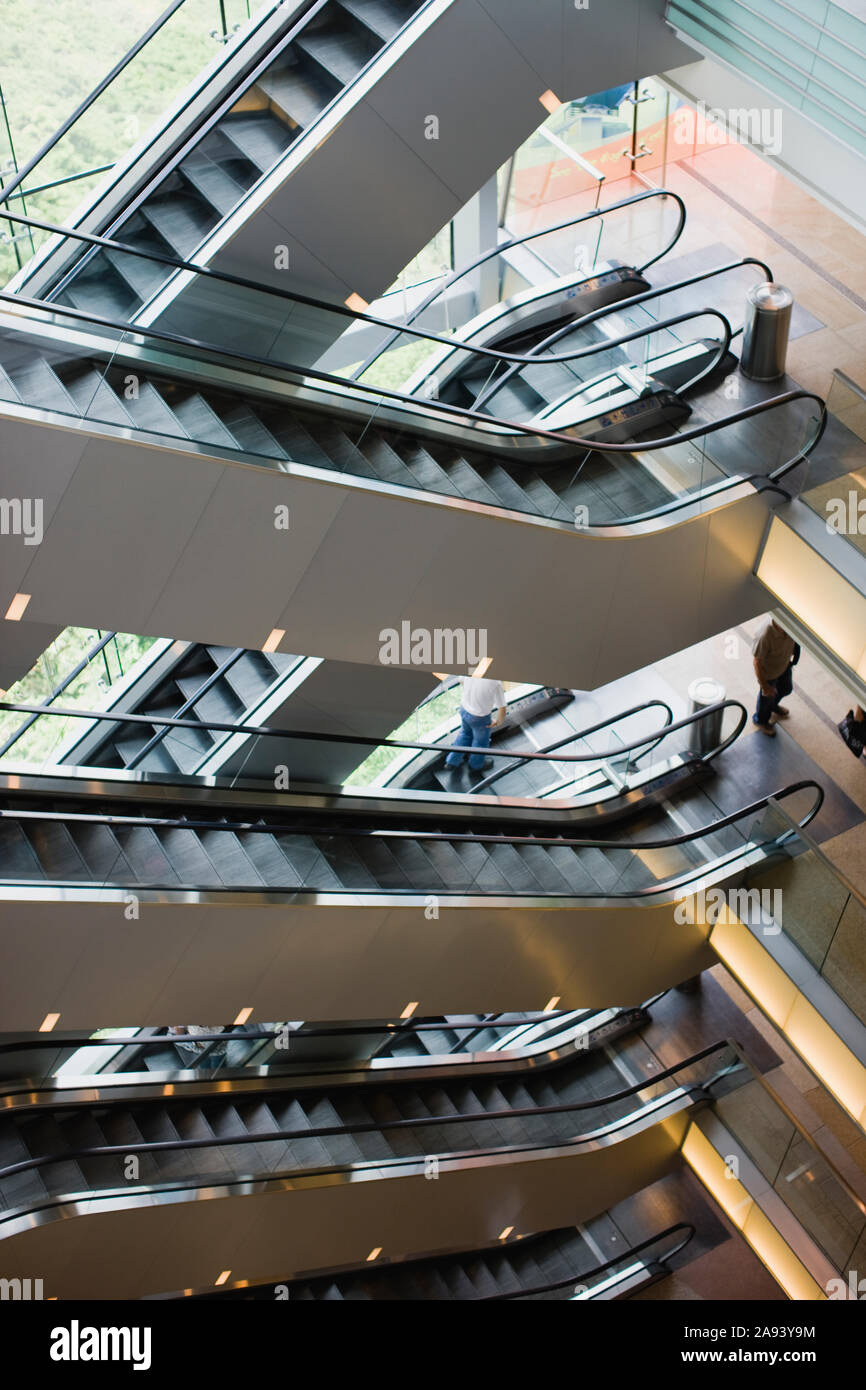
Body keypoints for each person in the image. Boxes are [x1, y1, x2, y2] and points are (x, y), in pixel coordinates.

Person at [443, 675, 507, 770]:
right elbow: (502, 708)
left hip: (464, 709)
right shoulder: (495, 682)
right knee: (481, 742)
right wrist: (498, 722)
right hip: (479, 718)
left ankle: (451, 762)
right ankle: (475, 765)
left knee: (465, 734)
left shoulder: (472, 670)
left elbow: (460, 680)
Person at [752, 618, 800, 737]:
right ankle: (761, 720)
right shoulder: (765, 634)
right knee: (766, 700)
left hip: (784, 666)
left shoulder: (790, 625)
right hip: (769, 674)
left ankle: (772, 705)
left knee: (786, 689)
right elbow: (757, 662)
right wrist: (765, 686)